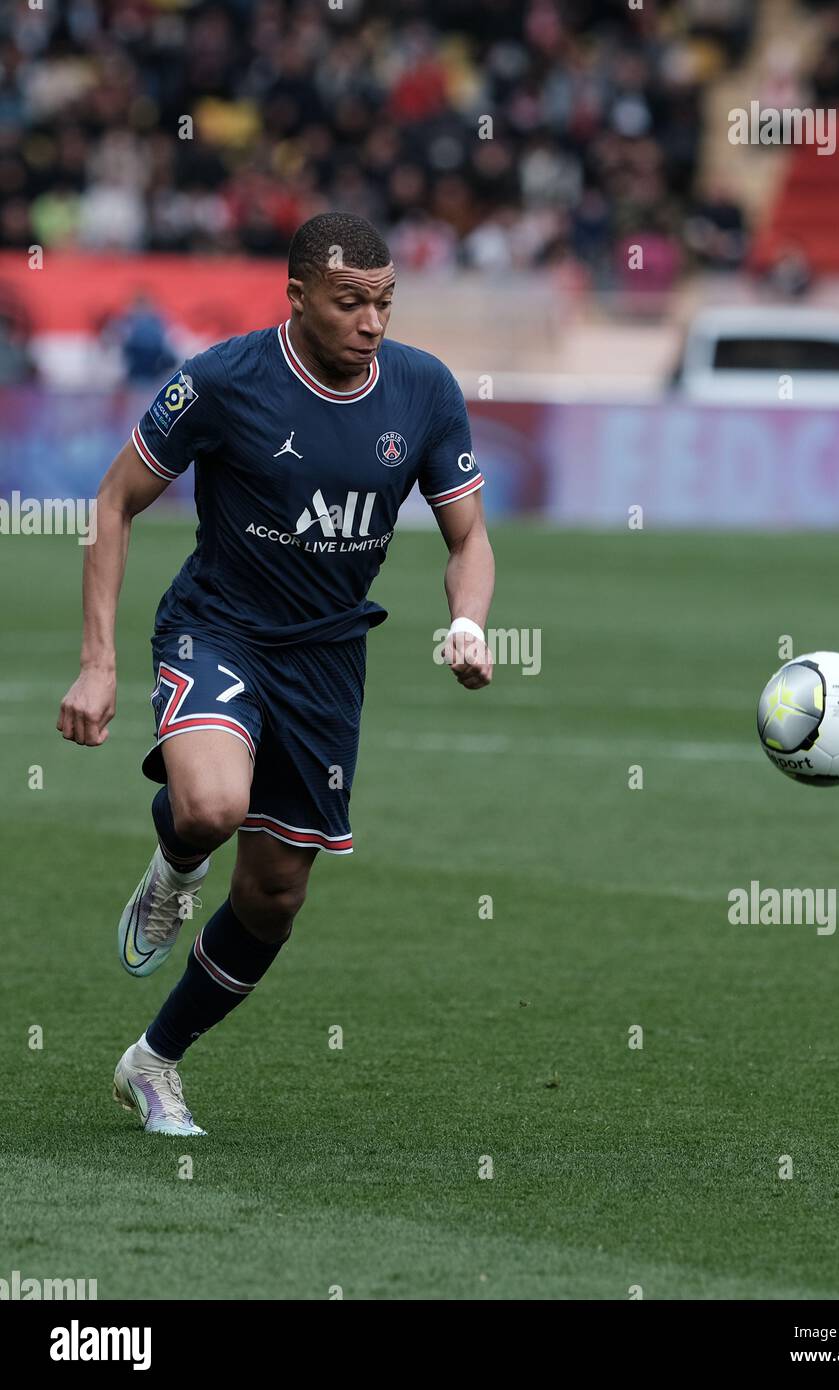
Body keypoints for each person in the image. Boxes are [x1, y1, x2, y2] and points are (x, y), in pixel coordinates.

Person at [57, 212, 495, 1136]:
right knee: (212, 806)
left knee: (273, 895)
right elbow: (114, 501)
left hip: (328, 661)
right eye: (349, 303)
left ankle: (154, 1062)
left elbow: (469, 537)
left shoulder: (423, 390)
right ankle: (177, 860)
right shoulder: (222, 381)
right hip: (216, 629)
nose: (371, 322)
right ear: (296, 297)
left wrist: (466, 621)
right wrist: (97, 665)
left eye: (383, 302)